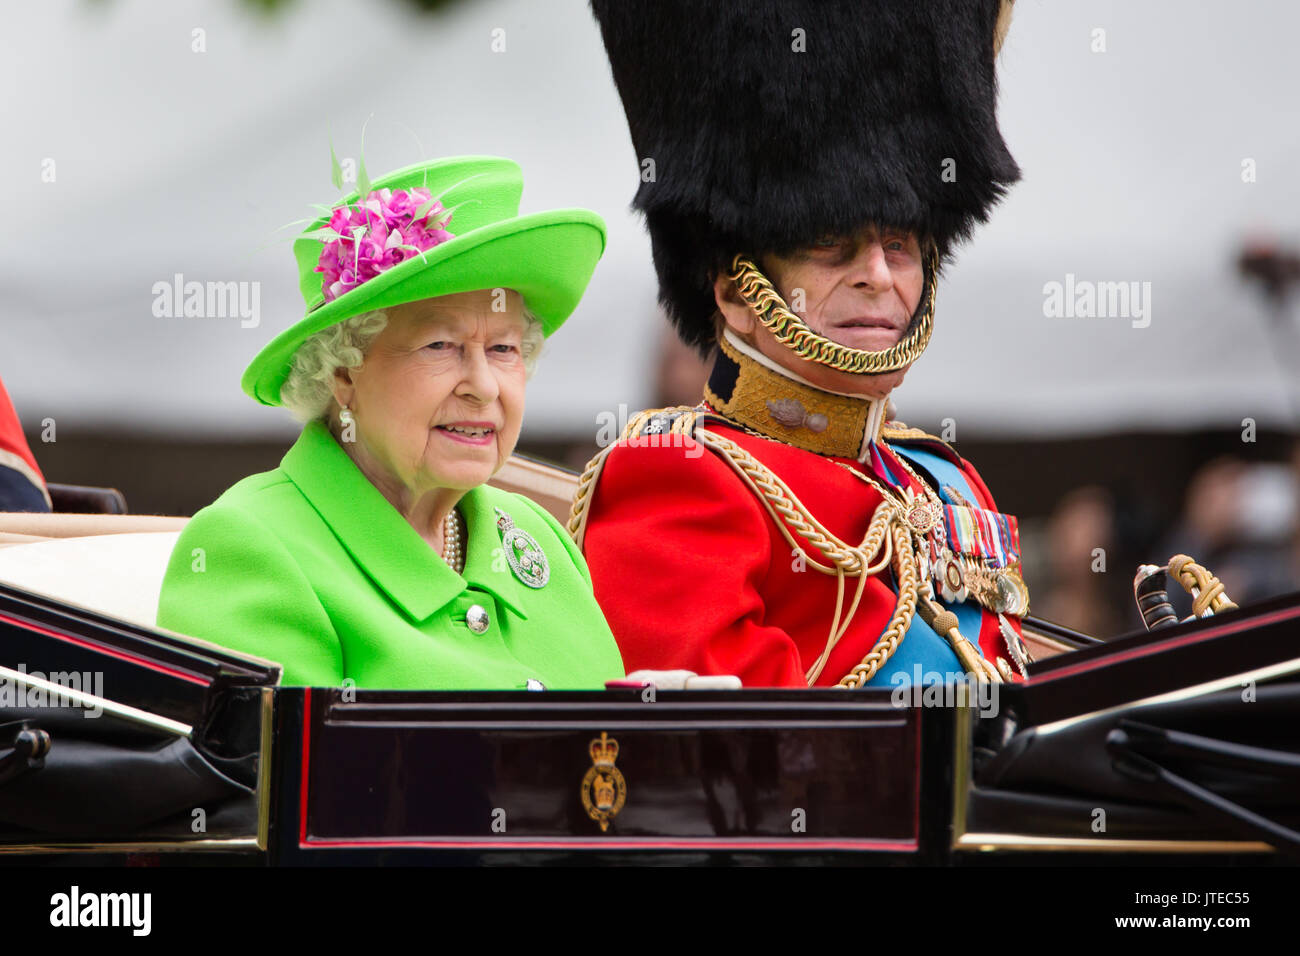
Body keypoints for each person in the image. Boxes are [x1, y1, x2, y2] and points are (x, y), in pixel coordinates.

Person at [574, 0, 1031, 688]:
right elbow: (726, 767)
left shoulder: (944, 480)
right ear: (734, 291)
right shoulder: (677, 476)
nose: (878, 276)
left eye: (901, 245)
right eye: (830, 244)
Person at [157, 154, 624, 690]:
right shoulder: (252, 548)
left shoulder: (541, 537)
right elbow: (293, 772)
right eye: (441, 346)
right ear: (344, 374)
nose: (485, 385)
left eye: (503, 348)